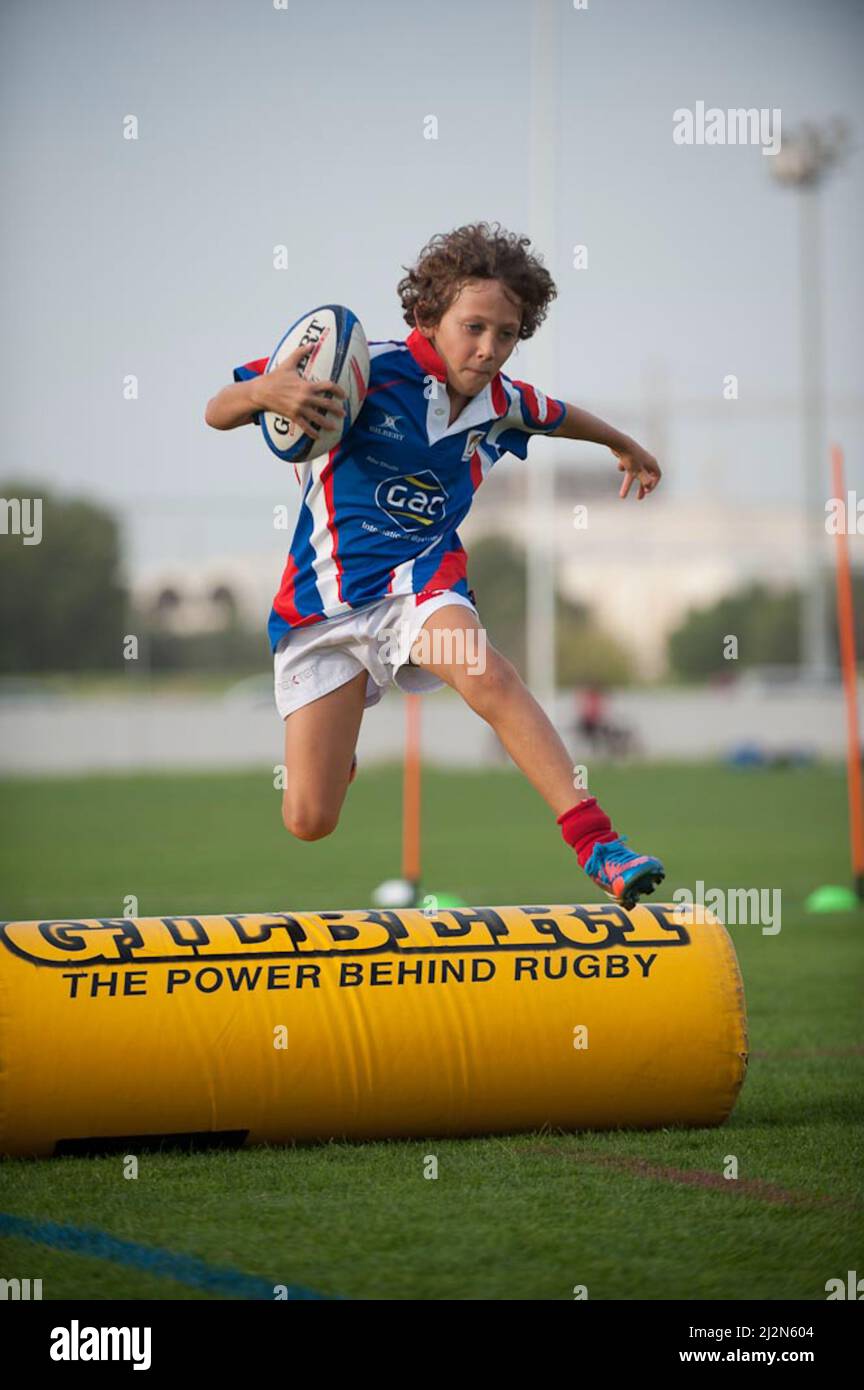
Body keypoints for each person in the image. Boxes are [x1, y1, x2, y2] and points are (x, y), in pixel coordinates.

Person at [205, 222, 664, 907]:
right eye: (474, 327)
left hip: (421, 584)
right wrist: (264, 394)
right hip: (321, 604)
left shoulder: (503, 403)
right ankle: (337, 750)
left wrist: (625, 445)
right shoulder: (368, 371)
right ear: (428, 315)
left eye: (506, 334)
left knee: (490, 676)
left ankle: (598, 843)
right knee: (309, 819)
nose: (488, 349)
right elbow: (219, 409)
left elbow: (562, 415)